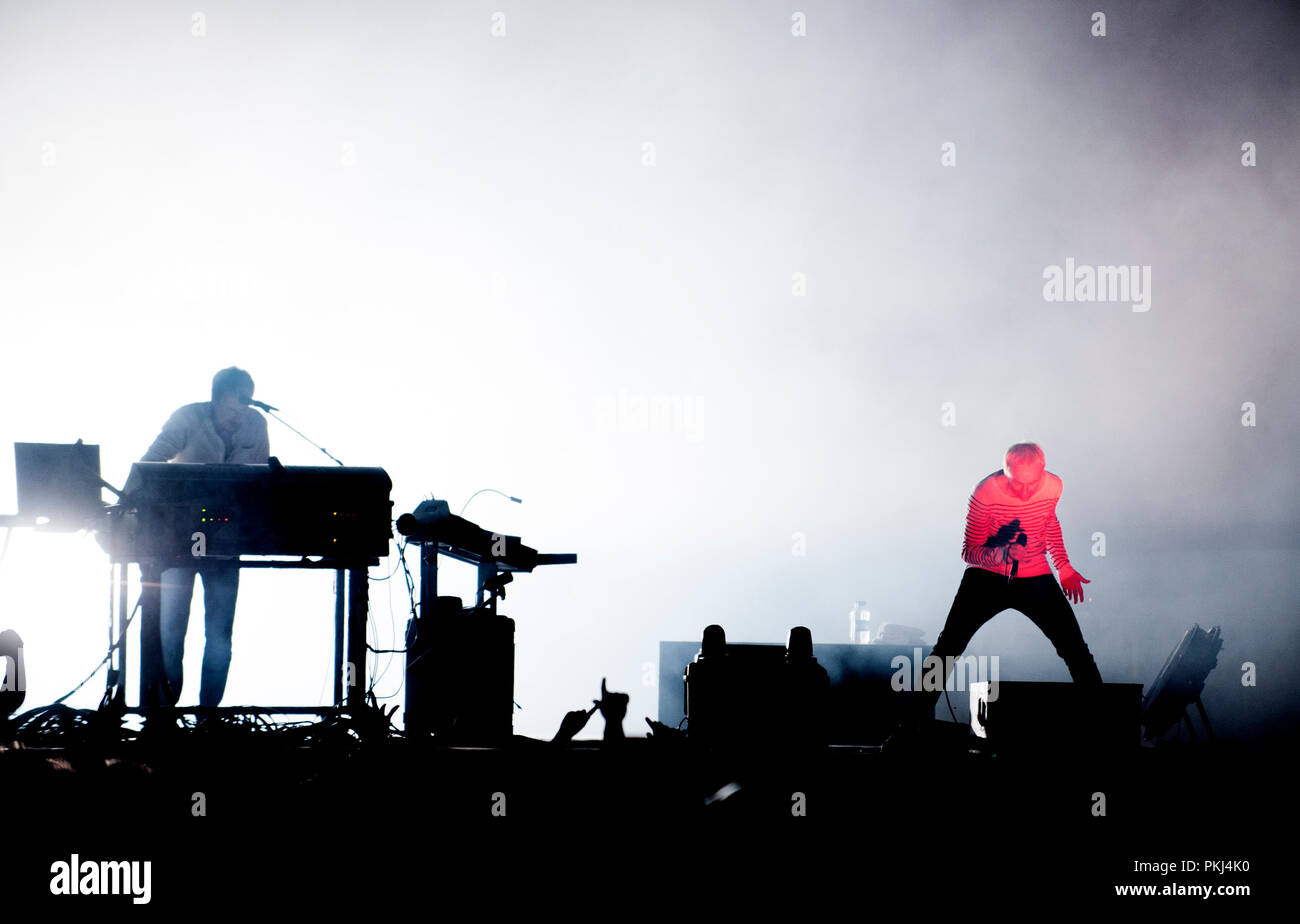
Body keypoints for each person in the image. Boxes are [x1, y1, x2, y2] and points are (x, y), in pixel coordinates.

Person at [908, 442, 1103, 730]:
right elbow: (968, 551)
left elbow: (1049, 522)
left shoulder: (1054, 486)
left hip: (1035, 576)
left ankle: (1106, 728)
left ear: (1043, 472)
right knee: (947, 649)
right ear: (1005, 472)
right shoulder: (985, 492)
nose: (1024, 493)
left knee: (1075, 650)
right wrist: (1001, 554)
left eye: (1031, 484)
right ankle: (910, 727)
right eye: (1016, 484)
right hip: (986, 578)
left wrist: (1063, 566)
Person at [139, 367, 269, 706]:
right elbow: (150, 462)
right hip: (177, 541)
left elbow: (263, 484)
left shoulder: (257, 424)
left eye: (245, 406)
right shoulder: (188, 417)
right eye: (232, 408)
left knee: (220, 638)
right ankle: (165, 713)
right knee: (170, 632)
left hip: (227, 542)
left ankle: (208, 717)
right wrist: (128, 511)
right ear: (216, 399)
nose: (238, 416)